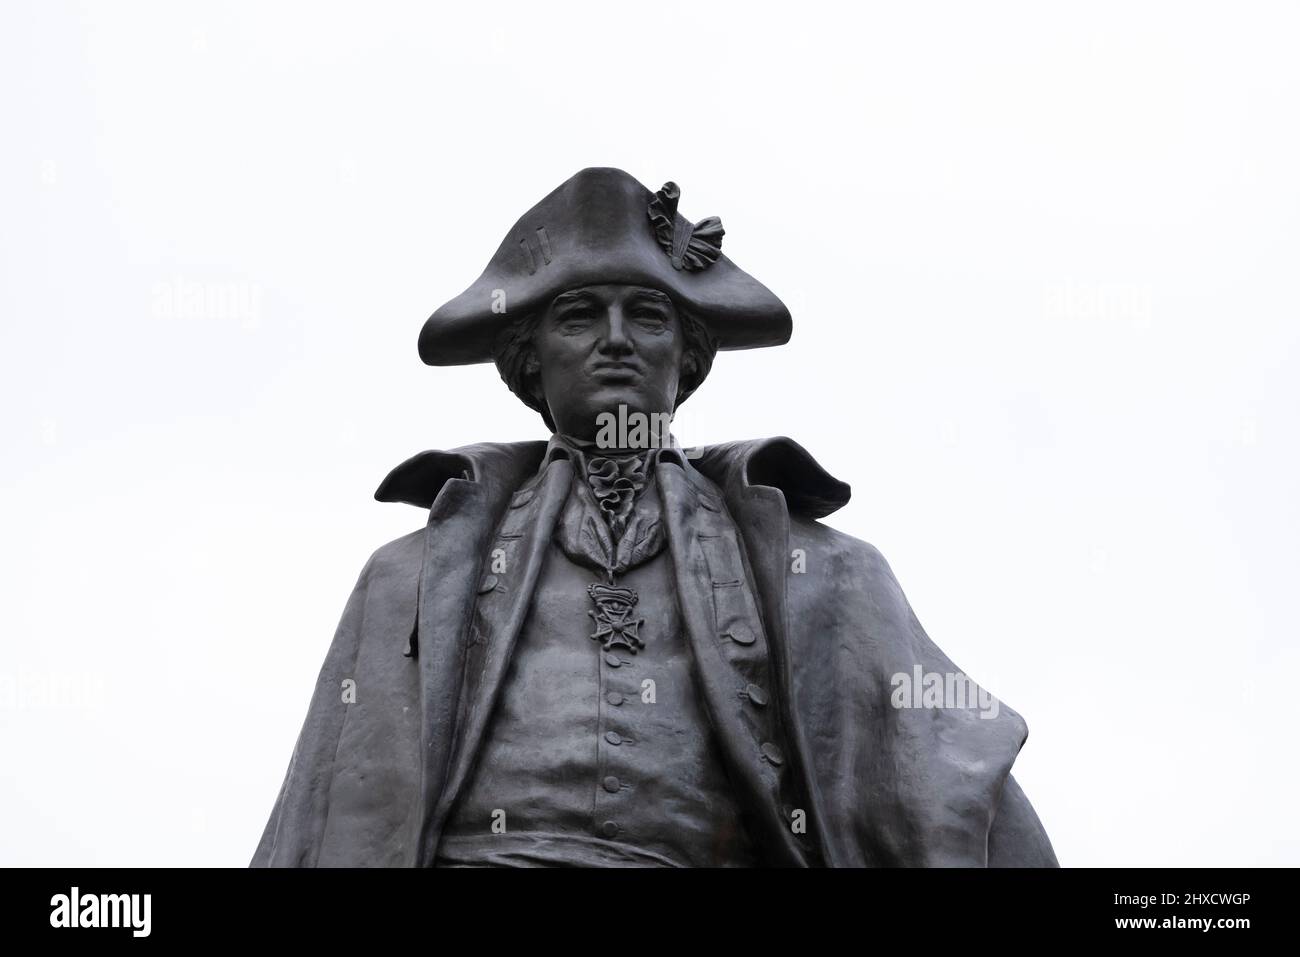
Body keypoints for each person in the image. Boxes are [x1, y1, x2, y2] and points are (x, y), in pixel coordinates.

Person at [252, 168, 1057, 867]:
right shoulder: (413, 575)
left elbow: (944, 779)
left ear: (689, 354)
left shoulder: (822, 572)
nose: (615, 342)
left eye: (647, 315)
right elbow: (320, 811)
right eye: (577, 317)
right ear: (530, 358)